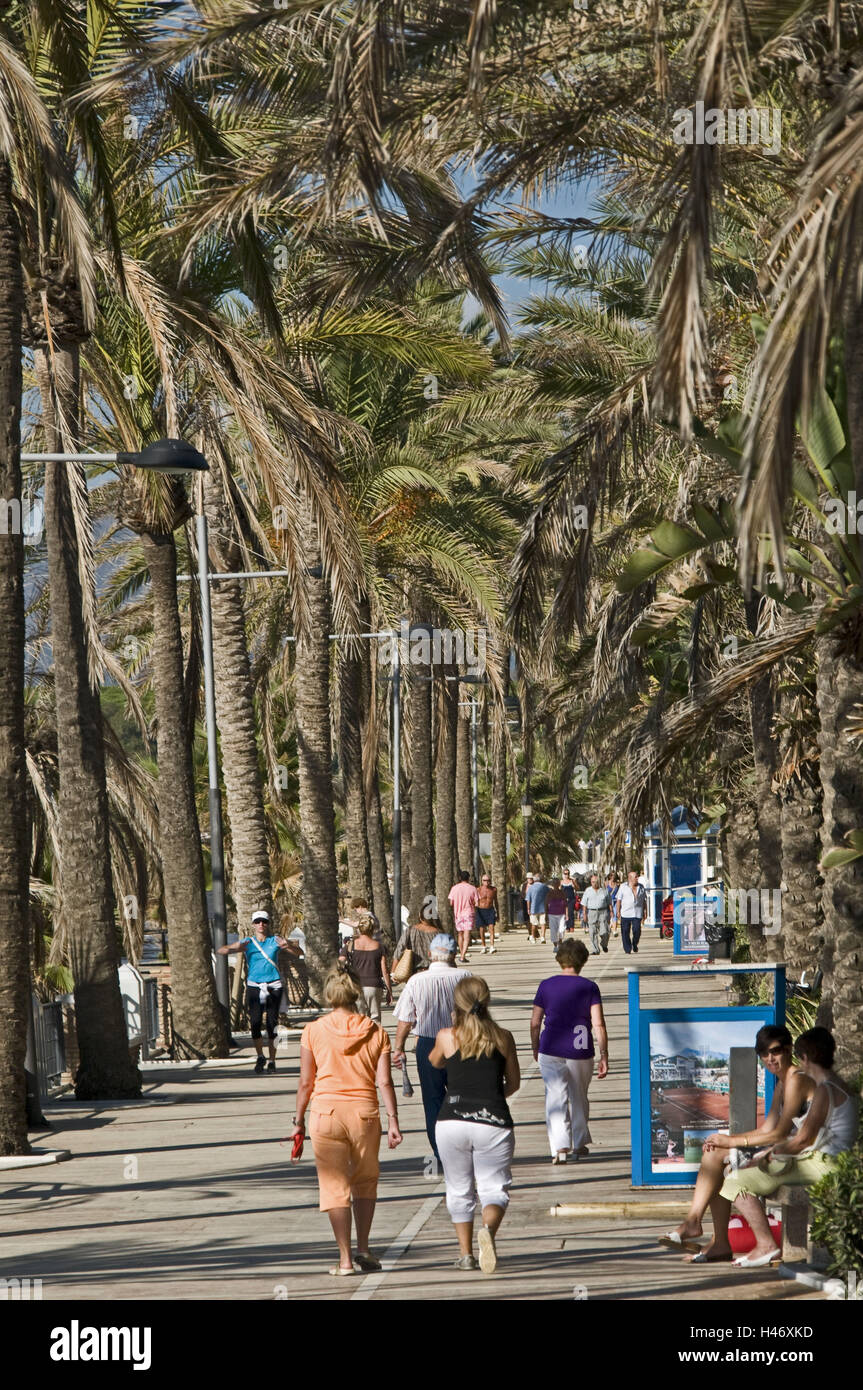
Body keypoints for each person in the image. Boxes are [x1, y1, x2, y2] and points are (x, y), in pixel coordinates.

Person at [657, 1024, 816, 1260]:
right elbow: (767, 1128)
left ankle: (699, 1226)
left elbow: (780, 1134)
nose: (769, 1059)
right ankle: (710, 1234)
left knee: (719, 1157)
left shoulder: (796, 1079)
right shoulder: (783, 1083)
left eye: (776, 1051)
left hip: (801, 1154)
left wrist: (730, 1140)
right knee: (714, 1152)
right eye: (763, 1054)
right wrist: (728, 1142)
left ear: (789, 1049)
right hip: (786, 1150)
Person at [290, 969, 402, 1275]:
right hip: (365, 1114)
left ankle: (344, 1260)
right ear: (355, 994)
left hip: (325, 1114)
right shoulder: (376, 1031)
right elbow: (385, 1081)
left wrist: (298, 1120)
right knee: (365, 1180)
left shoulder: (312, 1031)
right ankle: (364, 1247)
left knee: (334, 1186)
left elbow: (305, 1083)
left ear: (329, 995)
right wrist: (393, 1120)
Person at [721, 1027, 857, 1268]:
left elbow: (803, 1140)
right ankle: (767, 1245)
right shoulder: (840, 1084)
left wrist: (768, 1155)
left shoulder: (826, 1089)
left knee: (736, 1179)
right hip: (833, 1162)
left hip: (823, 1165)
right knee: (749, 1171)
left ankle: (766, 1245)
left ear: (805, 1057)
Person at [430, 976, 520, 1273]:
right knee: (494, 1188)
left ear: (457, 1004)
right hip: (493, 1121)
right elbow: (514, 1083)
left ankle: (466, 1254)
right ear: (488, 1000)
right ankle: (488, 1233)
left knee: (458, 1188)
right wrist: (492, 1096)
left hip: (451, 1120)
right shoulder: (503, 1037)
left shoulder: (446, 1036)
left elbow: (434, 1062)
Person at [392, 935, 471, 1161]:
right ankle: (462, 1147)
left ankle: (440, 1151)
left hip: (427, 1044)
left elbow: (406, 1019)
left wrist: (399, 1047)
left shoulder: (416, 981)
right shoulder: (465, 977)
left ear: (429, 955)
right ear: (454, 954)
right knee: (462, 1097)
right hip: (461, 1043)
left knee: (432, 1100)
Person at [531, 937, 608, 1162]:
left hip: (551, 1047)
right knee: (579, 1096)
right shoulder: (590, 987)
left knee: (555, 1098)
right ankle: (580, 1141)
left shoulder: (546, 985)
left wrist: (536, 1046)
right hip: (581, 1049)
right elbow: (598, 1023)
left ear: (559, 960)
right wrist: (604, 1054)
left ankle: (560, 1147)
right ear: (582, 961)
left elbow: (535, 1022)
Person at [217, 910, 303, 1072]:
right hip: (254, 985)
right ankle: (260, 1056)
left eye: (264, 921)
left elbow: (299, 954)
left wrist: (288, 945)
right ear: (253, 925)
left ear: (268, 924)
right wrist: (235, 948)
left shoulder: (275, 940)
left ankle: (272, 1060)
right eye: (257, 922)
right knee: (255, 1023)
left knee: (273, 1024)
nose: (261, 925)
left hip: (274, 985)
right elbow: (221, 950)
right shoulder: (248, 942)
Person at [339, 915, 392, 1021]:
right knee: (375, 1018)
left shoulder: (350, 945)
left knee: (358, 1019)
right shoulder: (379, 946)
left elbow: (340, 962)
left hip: (356, 986)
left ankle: (360, 1037)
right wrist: (389, 990)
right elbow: (384, 971)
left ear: (359, 929)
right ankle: (374, 1037)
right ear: (372, 929)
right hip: (374, 986)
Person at [449, 871, 479, 963]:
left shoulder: (454, 888)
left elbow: (451, 903)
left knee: (460, 934)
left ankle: (462, 953)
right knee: (467, 935)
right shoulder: (473, 888)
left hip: (458, 914)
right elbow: (477, 903)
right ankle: (463, 955)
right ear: (468, 878)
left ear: (460, 878)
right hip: (468, 913)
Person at [616, 869, 647, 953]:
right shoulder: (623, 887)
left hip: (637, 913)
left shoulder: (641, 887)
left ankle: (634, 943)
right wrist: (617, 911)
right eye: (636, 877)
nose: (637, 878)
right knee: (625, 931)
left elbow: (644, 900)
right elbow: (619, 900)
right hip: (625, 913)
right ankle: (627, 948)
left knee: (637, 930)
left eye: (637, 876)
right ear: (630, 878)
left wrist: (645, 912)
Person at [581, 873, 612, 954]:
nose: (594, 883)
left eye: (595, 882)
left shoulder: (605, 890)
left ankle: (604, 944)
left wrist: (611, 912)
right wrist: (584, 914)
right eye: (592, 882)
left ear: (599, 882)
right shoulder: (588, 891)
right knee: (592, 932)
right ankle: (595, 950)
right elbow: (584, 903)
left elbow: (609, 902)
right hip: (591, 912)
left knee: (605, 932)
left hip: (603, 912)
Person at [475, 874, 499, 954]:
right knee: (482, 929)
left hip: (490, 910)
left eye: (488, 880)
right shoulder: (478, 889)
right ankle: (484, 946)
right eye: (485, 880)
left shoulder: (494, 890)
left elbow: (496, 901)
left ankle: (492, 946)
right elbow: (474, 900)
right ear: (482, 881)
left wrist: (498, 913)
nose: (487, 882)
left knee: (491, 928)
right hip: (480, 910)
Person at [525, 873, 550, 944]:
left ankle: (533, 937)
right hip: (543, 908)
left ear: (534, 880)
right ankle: (542, 937)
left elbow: (528, 900)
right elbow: (549, 897)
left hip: (533, 908)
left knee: (534, 924)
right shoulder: (545, 887)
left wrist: (528, 909)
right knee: (543, 923)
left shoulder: (531, 888)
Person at [546, 879, 568, 951]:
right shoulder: (550, 893)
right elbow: (546, 904)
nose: (555, 884)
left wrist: (567, 914)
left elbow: (566, 905)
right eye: (554, 883)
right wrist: (546, 915)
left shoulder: (562, 893)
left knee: (562, 929)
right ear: (552, 884)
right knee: (553, 930)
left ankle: (560, 942)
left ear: (559, 884)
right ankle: (555, 946)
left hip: (561, 914)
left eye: (557, 883)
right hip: (552, 914)